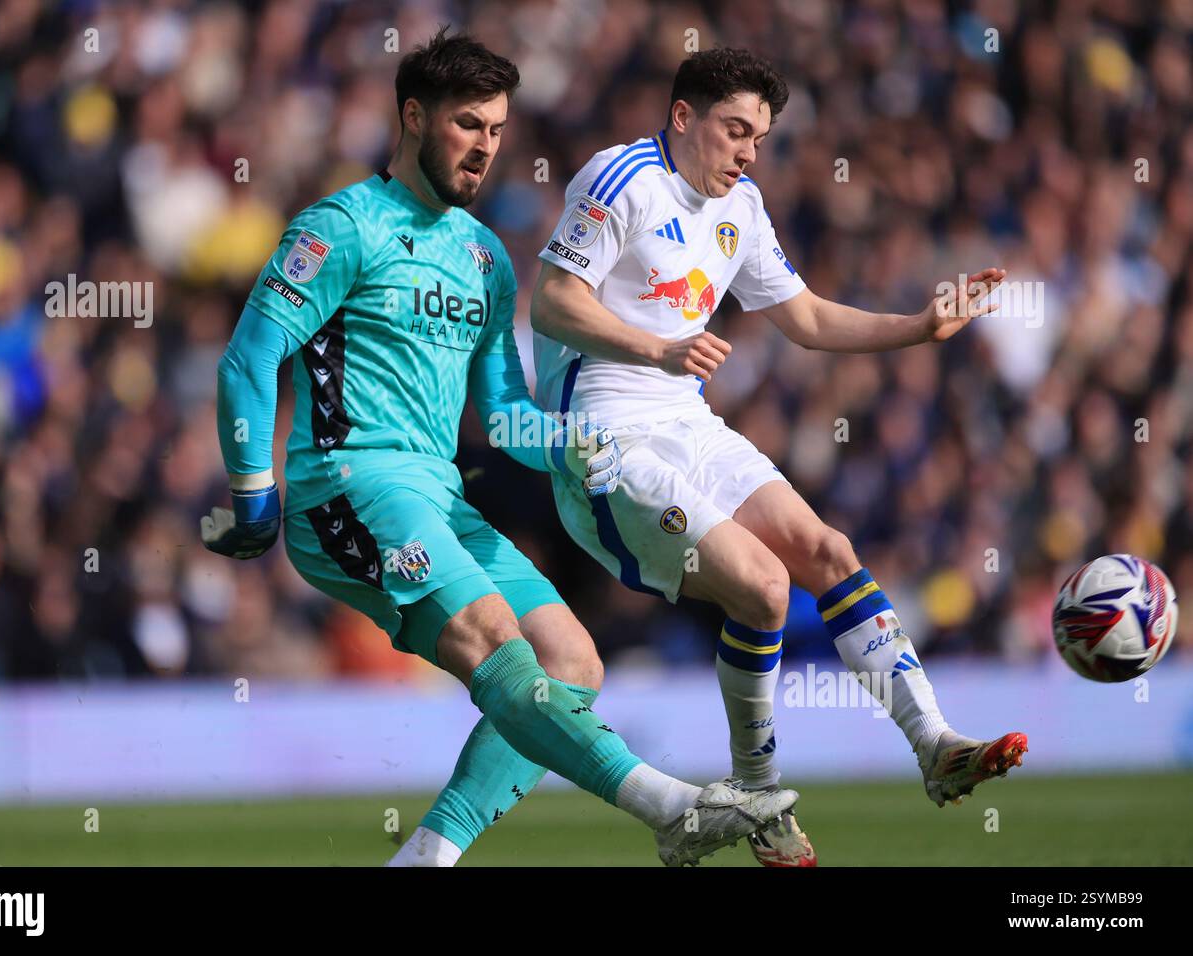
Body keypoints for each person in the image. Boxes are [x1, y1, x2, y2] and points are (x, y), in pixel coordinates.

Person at [200, 28, 797, 868]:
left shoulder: (483, 259)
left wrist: (568, 446)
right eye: (468, 125)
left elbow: (504, 413)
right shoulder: (343, 226)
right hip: (348, 485)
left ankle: (427, 859)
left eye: (496, 130)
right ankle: (669, 805)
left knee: (573, 662)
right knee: (491, 636)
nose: (485, 148)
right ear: (413, 116)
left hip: (438, 496)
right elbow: (251, 357)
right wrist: (253, 492)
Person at [529, 48, 1027, 866]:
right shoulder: (619, 179)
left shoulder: (743, 208)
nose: (749, 151)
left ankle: (935, 745)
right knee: (762, 586)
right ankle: (760, 787)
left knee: (827, 552)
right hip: (603, 436)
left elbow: (808, 319)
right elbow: (551, 301)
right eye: (735, 130)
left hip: (685, 421)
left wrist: (918, 324)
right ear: (684, 117)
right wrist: (653, 348)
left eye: (759, 136)